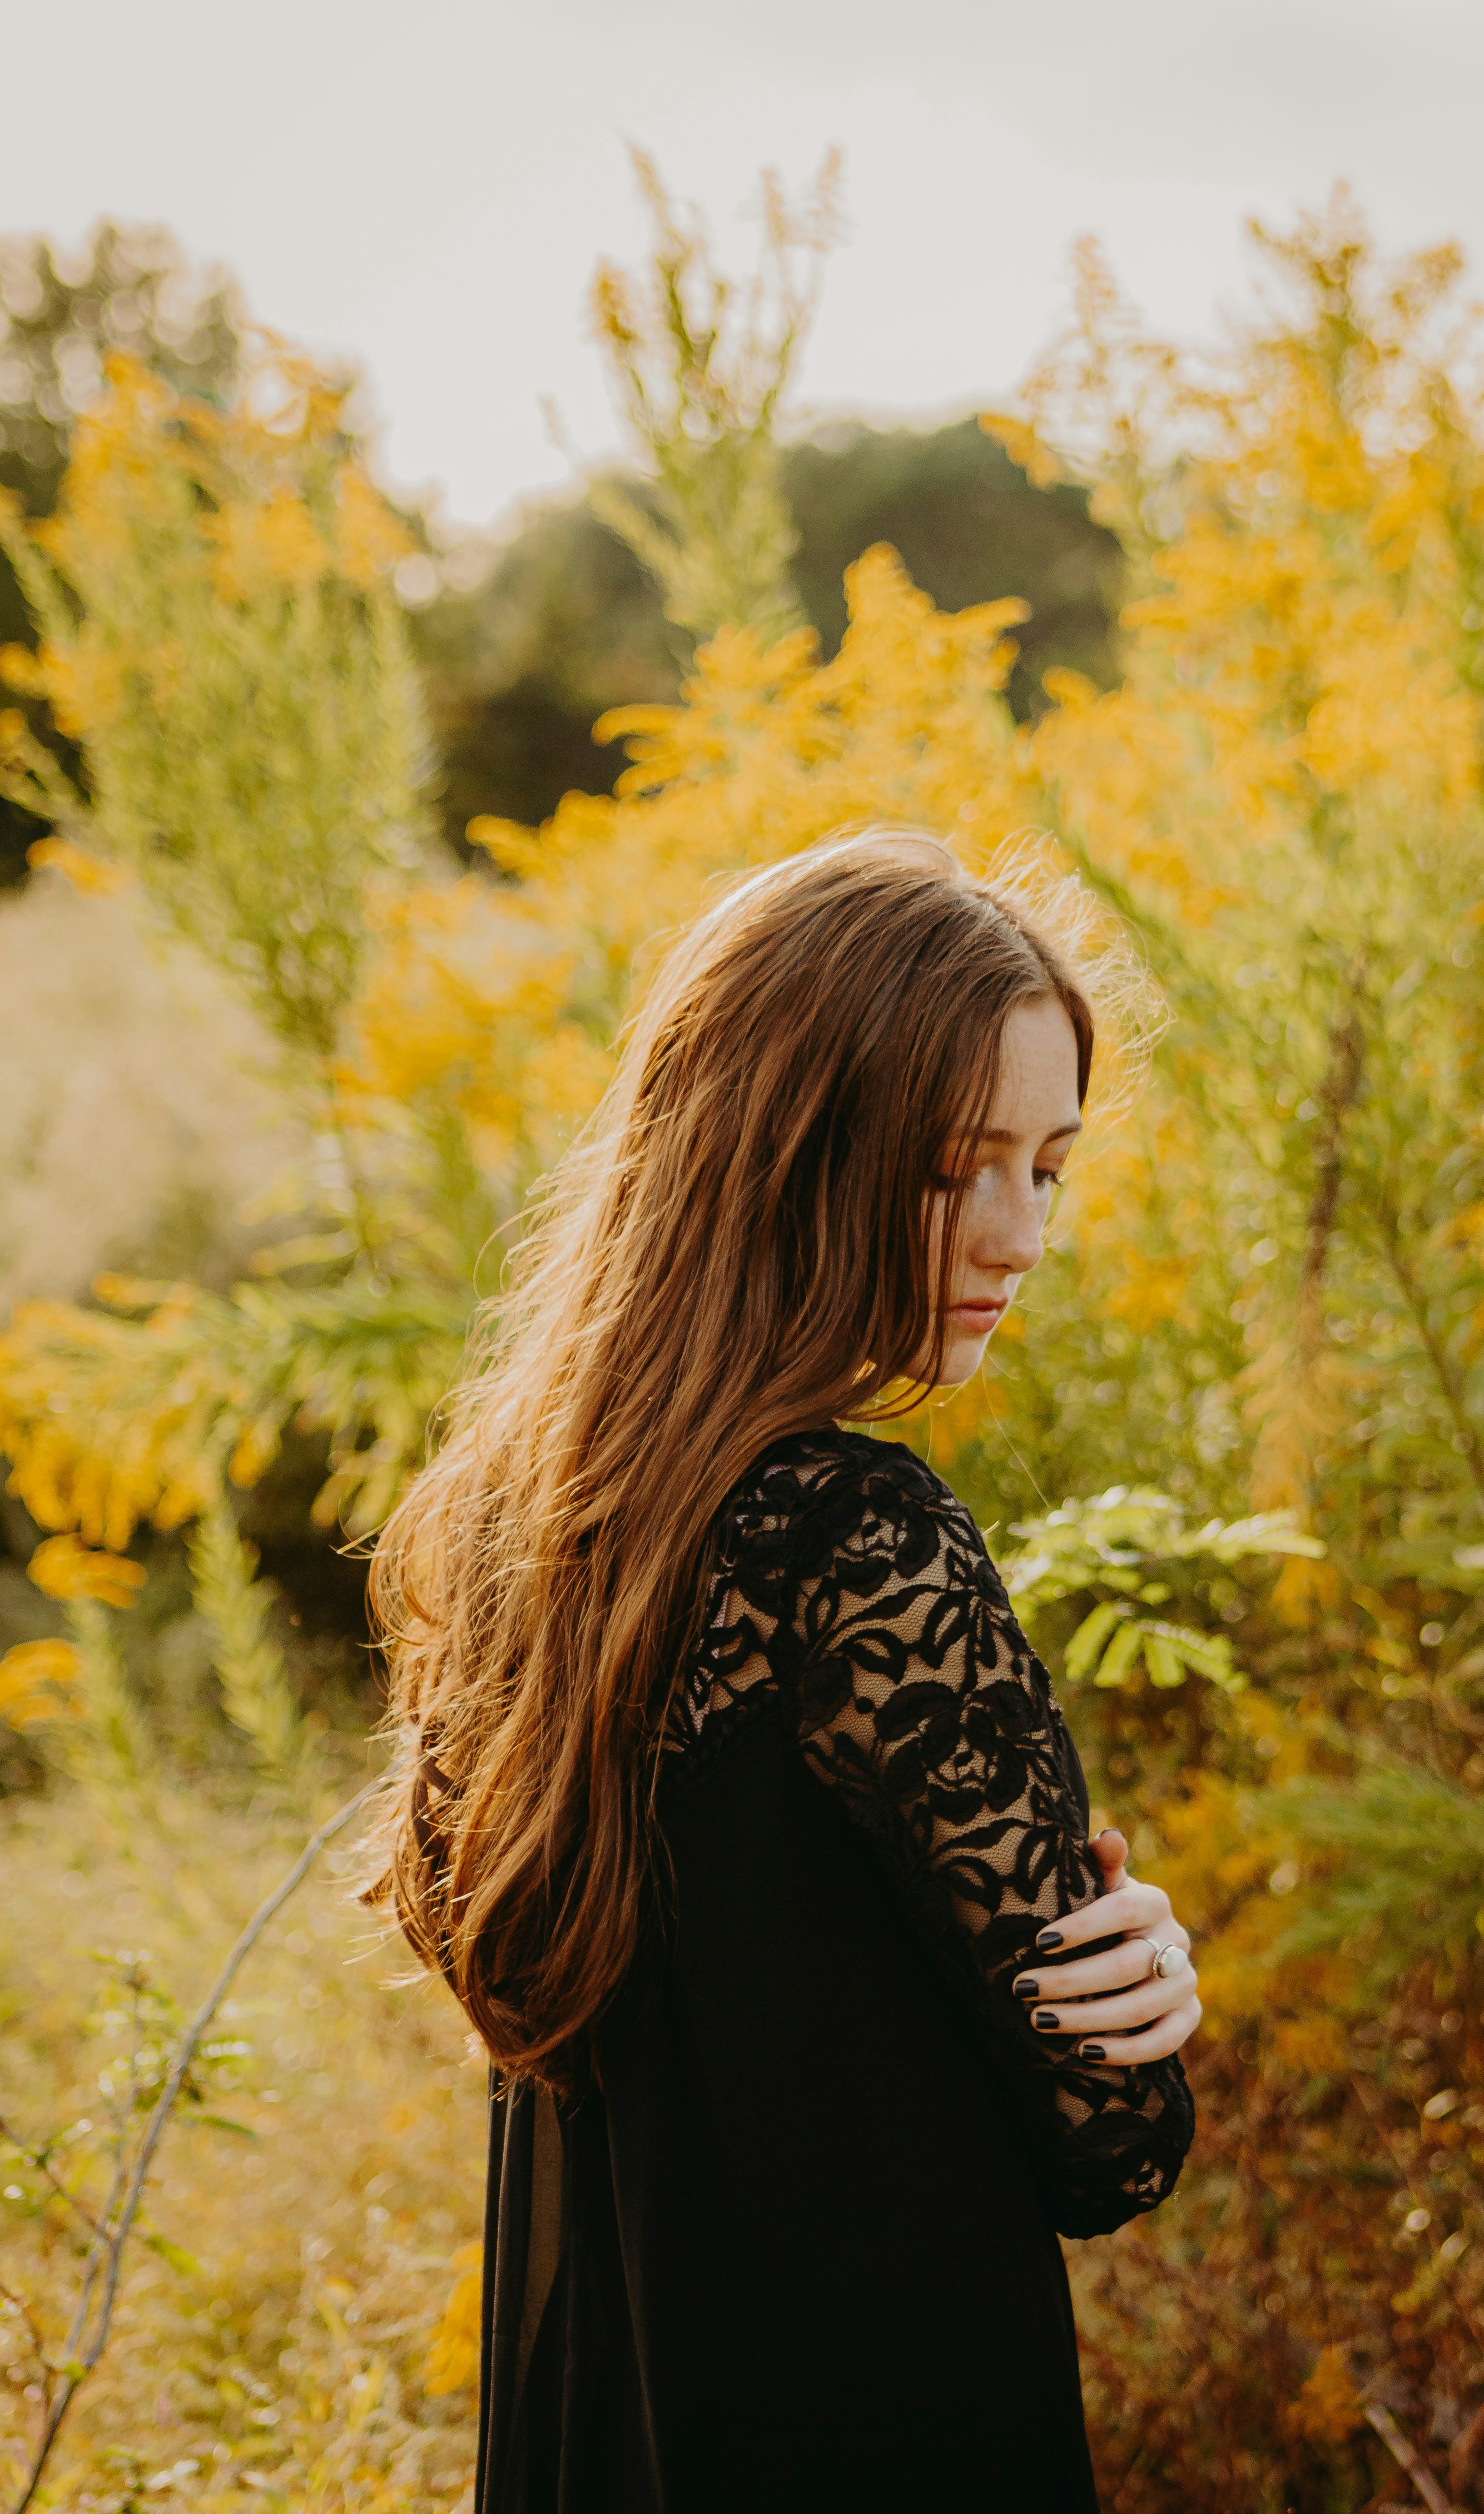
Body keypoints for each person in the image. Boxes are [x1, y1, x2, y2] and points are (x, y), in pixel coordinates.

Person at [366, 829, 1199, 2513]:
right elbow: (1114, 2143)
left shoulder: (512, 1535)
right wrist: (1146, 2001)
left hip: (611, 2429)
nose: (1019, 1232)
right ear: (784, 1150)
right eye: (955, 1163)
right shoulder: (858, 1544)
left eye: (1051, 1166)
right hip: (873, 2431)